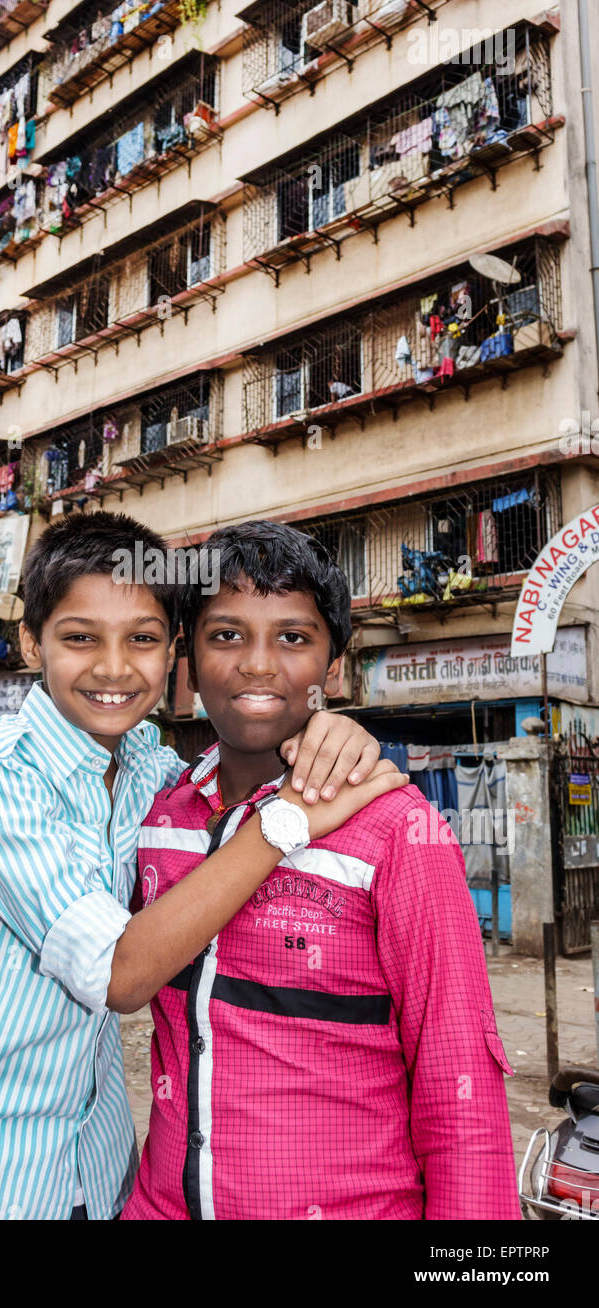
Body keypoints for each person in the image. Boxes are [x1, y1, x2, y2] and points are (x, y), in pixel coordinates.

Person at [0, 512, 405, 1222]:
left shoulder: (152, 771)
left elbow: (242, 775)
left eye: (140, 639)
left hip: (93, 1177)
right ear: (31, 641)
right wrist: (288, 820)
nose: (113, 668)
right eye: (80, 638)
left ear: (172, 649)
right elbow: (120, 975)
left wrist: (334, 733)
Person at [121, 521, 521, 1221]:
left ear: (335, 667)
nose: (257, 664)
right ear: (187, 660)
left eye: (294, 638)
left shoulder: (399, 830)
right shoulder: (158, 816)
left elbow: (458, 1078)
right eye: (226, 635)